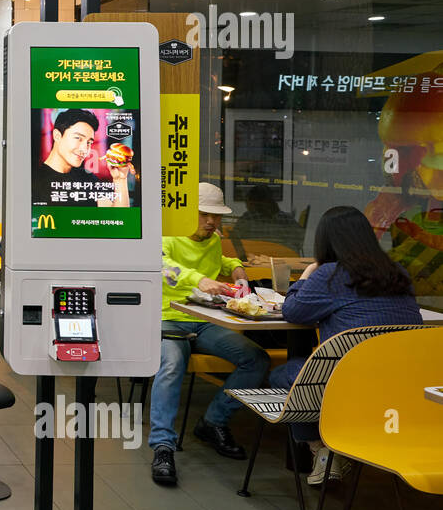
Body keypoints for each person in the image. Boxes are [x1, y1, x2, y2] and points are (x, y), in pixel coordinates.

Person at [272, 206, 421, 484]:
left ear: (325, 241)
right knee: (310, 372)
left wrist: (305, 275)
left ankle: (322, 448)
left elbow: (292, 311)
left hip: (348, 386)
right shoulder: (397, 271)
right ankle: (336, 448)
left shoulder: (330, 273)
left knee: (285, 374)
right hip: (400, 387)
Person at [150, 182, 272, 486]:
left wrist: (237, 268)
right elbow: (160, 265)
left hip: (206, 319)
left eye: (216, 217)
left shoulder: (213, 239)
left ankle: (213, 421)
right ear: (188, 212)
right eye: (205, 215)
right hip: (168, 318)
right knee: (171, 366)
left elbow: (223, 260)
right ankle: (163, 445)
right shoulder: (167, 234)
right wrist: (198, 280)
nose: (211, 222)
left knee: (256, 359)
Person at [30, 108, 130, 208]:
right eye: (78, 138)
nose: (84, 149)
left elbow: (118, 217)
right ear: (57, 136)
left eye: (89, 142)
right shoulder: (33, 180)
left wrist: (120, 180)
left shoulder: (88, 179)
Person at [228, 183, 306, 255]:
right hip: (283, 263)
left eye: (248, 203)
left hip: (256, 263)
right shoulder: (287, 219)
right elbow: (299, 242)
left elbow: (234, 242)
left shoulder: (248, 218)